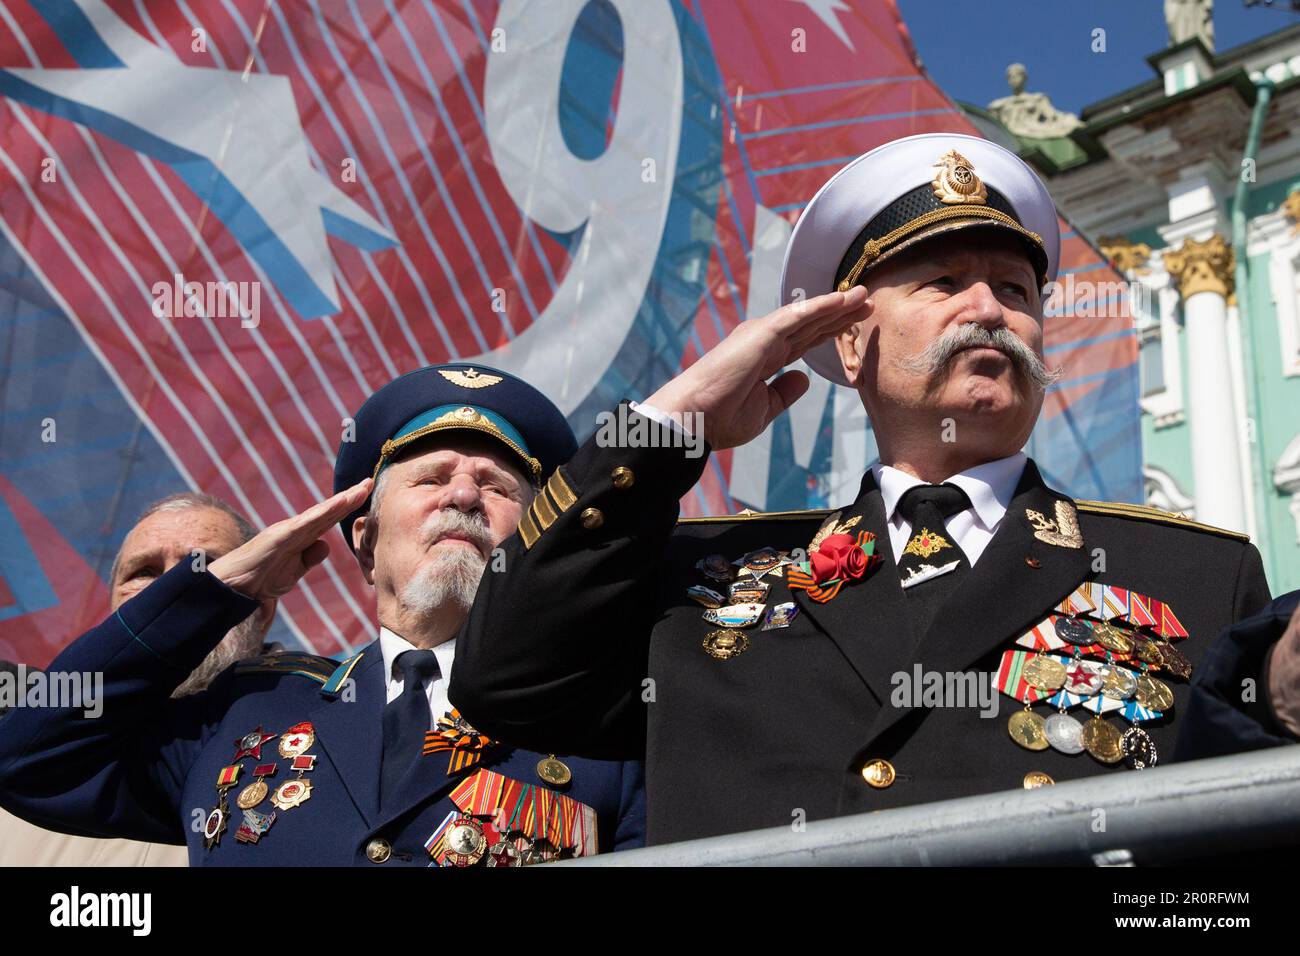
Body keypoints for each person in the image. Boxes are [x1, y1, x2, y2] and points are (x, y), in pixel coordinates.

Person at [450, 133, 1282, 846]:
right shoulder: (701, 580)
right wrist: (668, 427)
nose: (989, 306)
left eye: (1017, 290)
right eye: (945, 281)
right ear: (850, 343)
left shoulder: (1195, 576)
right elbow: (507, 679)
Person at [0, 365, 644, 865]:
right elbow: (29, 756)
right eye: (430, 478)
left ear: (533, 541)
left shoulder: (612, 723)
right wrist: (215, 590)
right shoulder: (246, 708)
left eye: (498, 487)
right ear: (363, 539)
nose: (464, 494)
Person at [0, 492, 273, 866]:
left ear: (263, 610)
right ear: (113, 610)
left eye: (203, 568)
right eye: (144, 572)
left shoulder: (325, 725)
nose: (172, 590)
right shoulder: (30, 738)